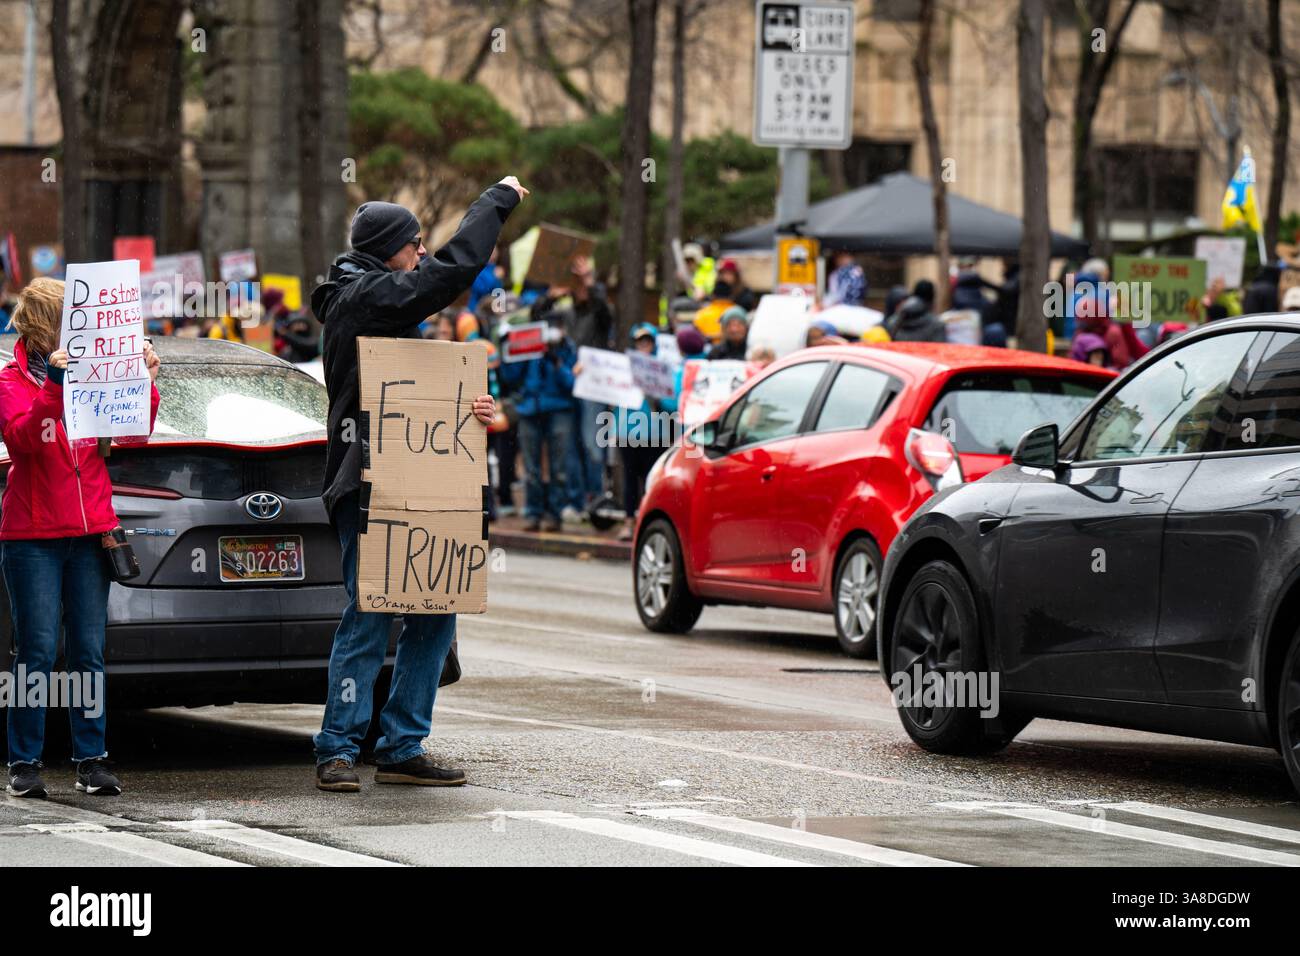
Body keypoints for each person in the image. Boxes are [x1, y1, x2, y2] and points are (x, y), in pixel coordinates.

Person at [309, 176, 525, 793]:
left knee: (436, 607)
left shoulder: (386, 301)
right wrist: (493, 203)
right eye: (415, 243)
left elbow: (422, 390)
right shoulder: (360, 296)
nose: (423, 253)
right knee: (370, 611)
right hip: (367, 482)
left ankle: (403, 742)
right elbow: (446, 275)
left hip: (422, 480)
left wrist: (470, 407)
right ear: (386, 250)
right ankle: (339, 746)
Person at [0, 278, 162, 798]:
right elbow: (23, 439)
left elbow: (133, 433)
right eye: (67, 320)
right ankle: (24, 760)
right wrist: (53, 385)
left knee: (89, 650)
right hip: (32, 536)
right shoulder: (10, 381)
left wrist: (146, 381)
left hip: (93, 532)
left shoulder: (94, 373)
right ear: (43, 328)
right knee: (38, 650)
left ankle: (91, 757)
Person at [529, 255, 613, 515]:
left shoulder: (599, 312)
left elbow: (606, 315)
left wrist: (589, 282)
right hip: (566, 386)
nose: (579, 289)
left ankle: (597, 501)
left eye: (582, 284)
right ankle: (575, 502)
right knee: (571, 449)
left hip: (593, 386)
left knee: (592, 445)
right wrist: (552, 295)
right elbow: (536, 317)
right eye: (575, 284)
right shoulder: (566, 313)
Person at [499, 307, 577, 533]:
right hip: (530, 409)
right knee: (531, 468)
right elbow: (511, 376)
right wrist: (508, 348)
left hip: (559, 409)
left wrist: (556, 362)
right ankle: (533, 514)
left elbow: (572, 384)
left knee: (559, 467)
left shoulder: (568, 349)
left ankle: (555, 515)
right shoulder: (531, 346)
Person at [615, 324, 665, 541]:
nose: (644, 346)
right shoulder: (622, 369)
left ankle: (646, 523)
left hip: (656, 434)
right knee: (630, 480)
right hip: (629, 433)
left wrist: (657, 397)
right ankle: (628, 522)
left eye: (648, 341)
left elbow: (673, 403)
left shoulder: (663, 369)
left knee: (650, 481)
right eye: (640, 342)